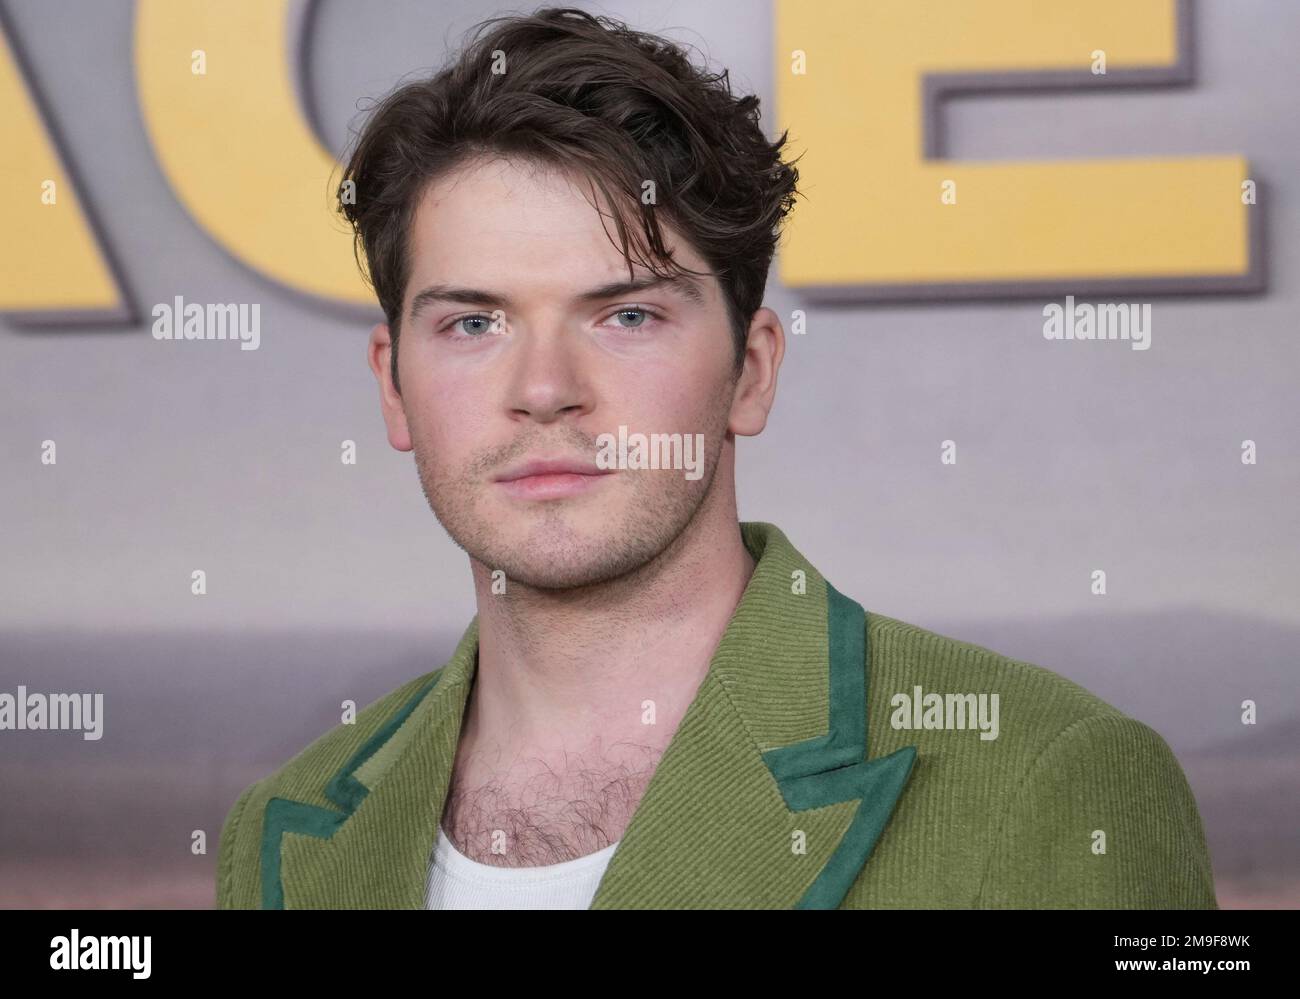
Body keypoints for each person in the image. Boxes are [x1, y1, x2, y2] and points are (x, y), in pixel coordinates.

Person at [216, 6, 1216, 909]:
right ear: (393, 386)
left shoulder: (1048, 779)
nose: (544, 386)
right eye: (475, 323)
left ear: (750, 371)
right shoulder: (283, 834)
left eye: (628, 314)